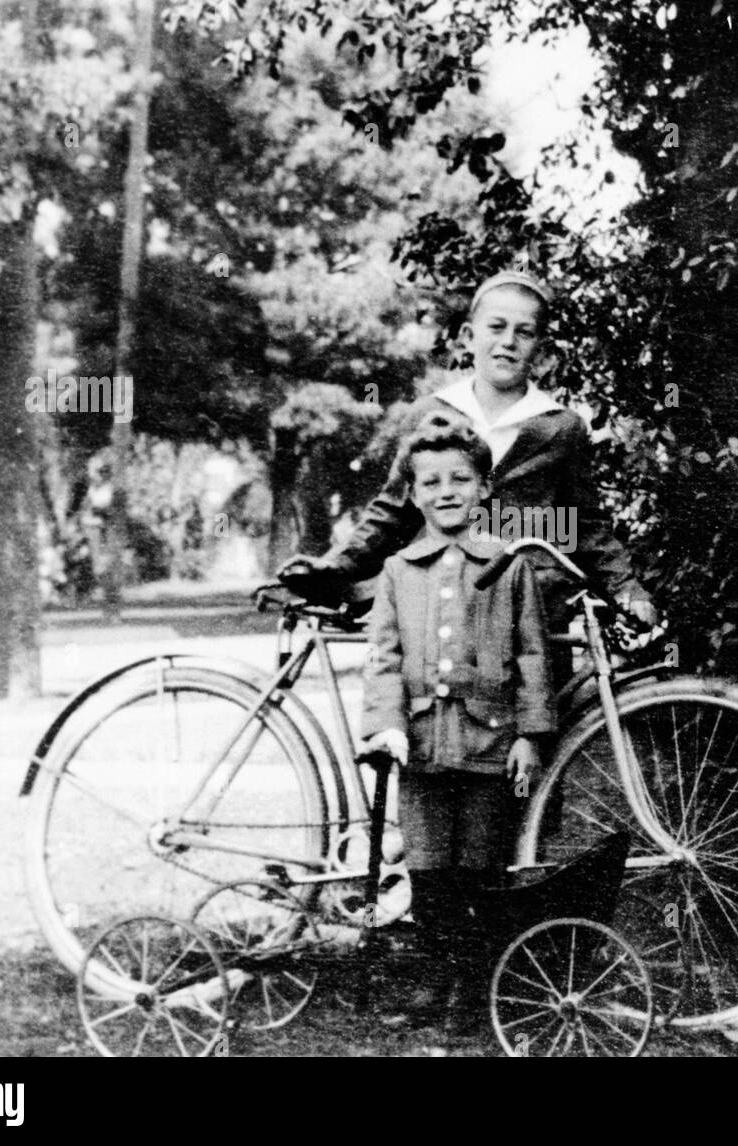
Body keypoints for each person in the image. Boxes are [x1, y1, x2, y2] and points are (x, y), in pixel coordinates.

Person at [278, 269, 657, 633]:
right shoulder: (431, 414)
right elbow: (393, 511)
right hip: (441, 606)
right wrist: (337, 566)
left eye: (523, 333)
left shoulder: (559, 426)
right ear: (467, 336)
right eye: (496, 327)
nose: (508, 341)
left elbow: (582, 526)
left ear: (540, 352)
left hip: (530, 610)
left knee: (539, 698)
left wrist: (626, 589)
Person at [360, 414, 555, 1031]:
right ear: (413, 494)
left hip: (489, 746)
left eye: (461, 479)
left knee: (481, 873)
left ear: (483, 489)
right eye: (432, 482)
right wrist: (387, 727)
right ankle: (435, 982)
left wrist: (529, 733)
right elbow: (384, 659)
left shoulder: (508, 566)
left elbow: (532, 654)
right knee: (429, 876)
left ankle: (474, 992)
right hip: (419, 749)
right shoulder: (397, 572)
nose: (446, 492)